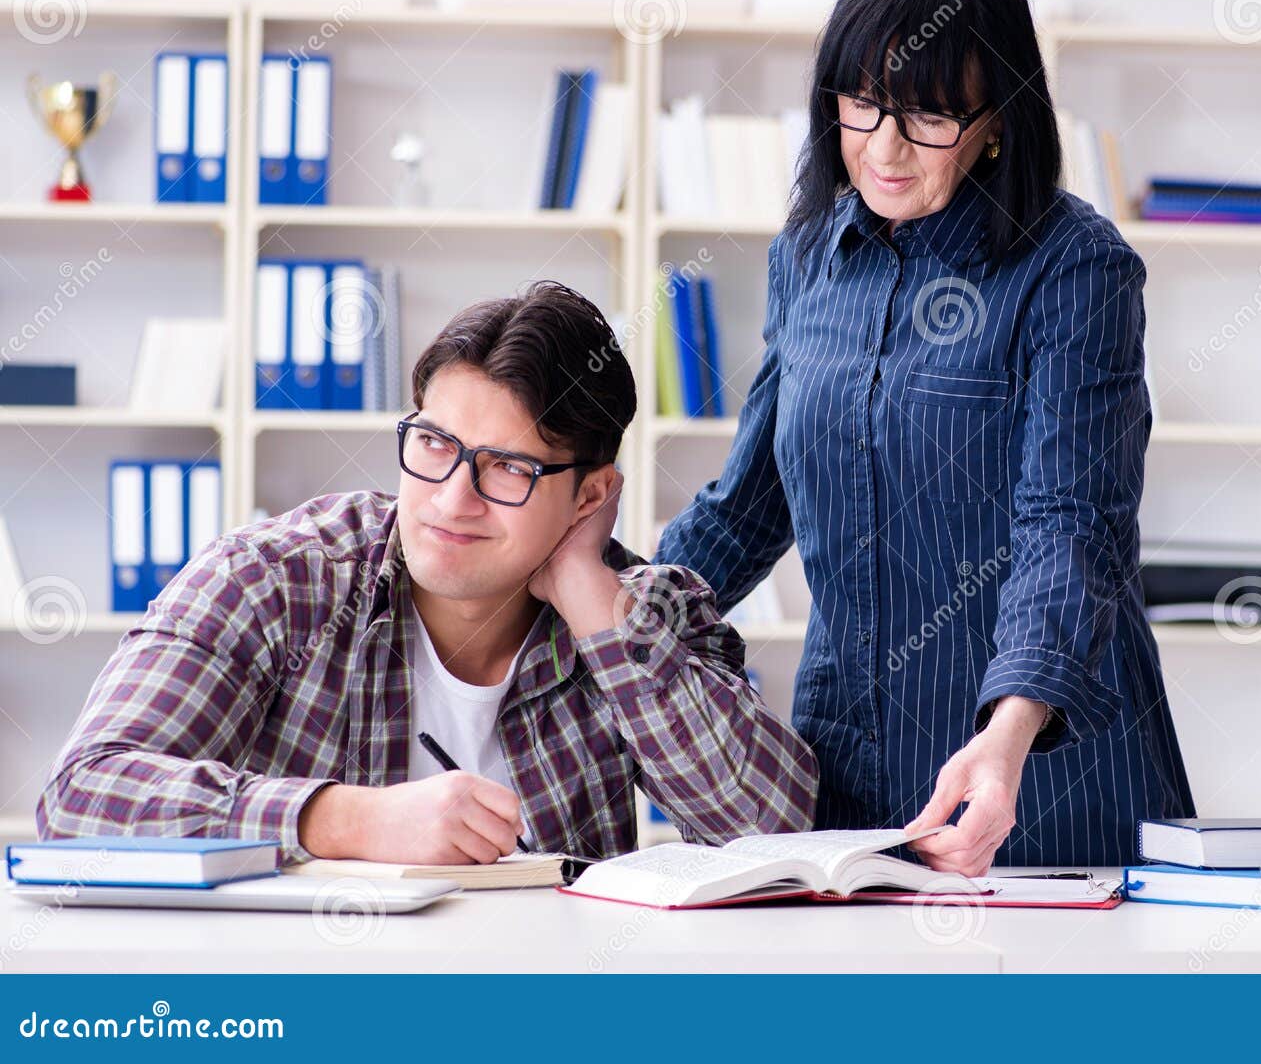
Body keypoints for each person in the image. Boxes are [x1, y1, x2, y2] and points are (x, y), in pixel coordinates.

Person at [654, 0, 1194, 874]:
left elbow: (1071, 526)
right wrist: (594, 618)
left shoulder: (1076, 269)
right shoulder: (807, 257)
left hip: (1036, 783)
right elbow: (746, 510)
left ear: (999, 118)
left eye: (930, 115)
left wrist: (1010, 730)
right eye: (861, 104)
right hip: (849, 774)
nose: (884, 148)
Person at [39, 281, 817, 864]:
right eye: (435, 444)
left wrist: (587, 594)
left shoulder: (642, 614)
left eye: (507, 468)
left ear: (590, 496)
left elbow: (774, 837)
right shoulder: (275, 579)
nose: (451, 500)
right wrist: (347, 820)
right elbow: (80, 799)